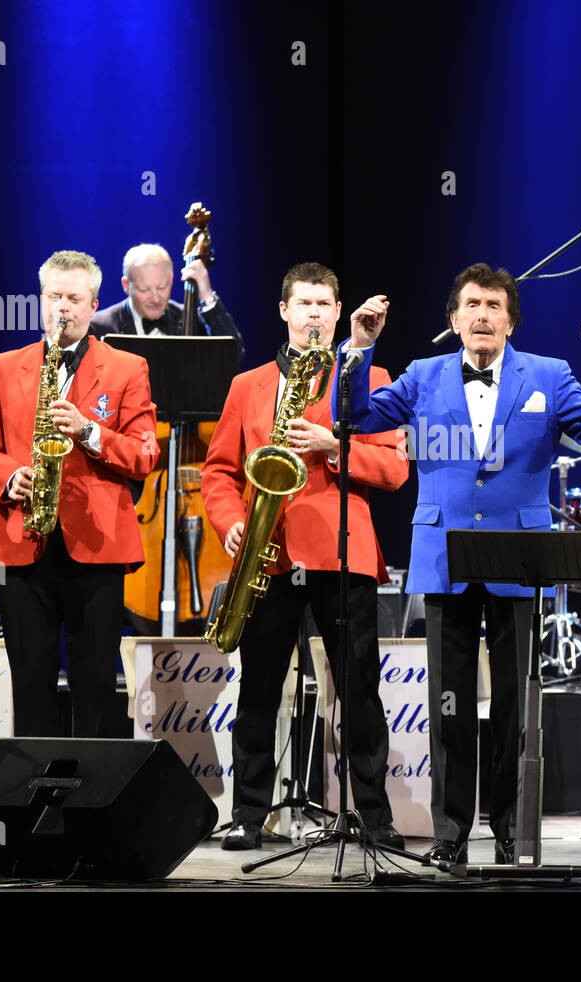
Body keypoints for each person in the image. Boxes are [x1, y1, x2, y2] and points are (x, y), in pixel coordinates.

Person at [337, 263, 581, 864]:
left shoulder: (548, 375)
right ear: (454, 319)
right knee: (448, 705)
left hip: (519, 560)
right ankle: (449, 833)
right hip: (444, 557)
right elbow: (356, 418)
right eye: (471, 304)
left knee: (511, 709)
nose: (482, 314)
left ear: (511, 320)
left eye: (494, 305)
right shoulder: (423, 376)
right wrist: (359, 350)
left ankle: (505, 828)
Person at [202, 262, 408, 851]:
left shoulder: (371, 373)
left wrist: (333, 447)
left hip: (341, 554)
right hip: (266, 554)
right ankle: (249, 814)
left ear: (338, 314)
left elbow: (394, 468)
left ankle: (374, 816)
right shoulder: (247, 385)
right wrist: (232, 522)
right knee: (259, 692)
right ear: (284, 311)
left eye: (325, 305)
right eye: (305, 304)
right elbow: (217, 471)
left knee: (360, 691)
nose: (315, 314)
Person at [0, 250, 159, 737]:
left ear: (94, 304)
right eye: (54, 297)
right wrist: (11, 478)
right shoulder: (2, 367)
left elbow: (143, 455)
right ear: (41, 301)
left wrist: (88, 431)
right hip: (23, 541)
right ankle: (38, 809)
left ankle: (91, 810)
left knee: (95, 685)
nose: (62, 309)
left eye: (74, 298)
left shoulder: (129, 367)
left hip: (97, 547)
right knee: (30, 686)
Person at [89, 243, 242, 353]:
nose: (155, 298)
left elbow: (234, 354)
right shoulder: (98, 326)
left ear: (171, 279)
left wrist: (207, 295)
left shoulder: (191, 319)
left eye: (162, 287)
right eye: (144, 289)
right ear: (126, 285)